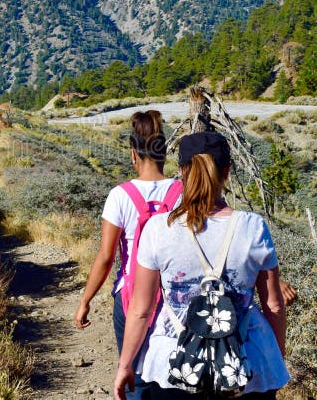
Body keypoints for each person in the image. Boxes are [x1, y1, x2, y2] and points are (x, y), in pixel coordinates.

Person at [113, 131, 290, 400]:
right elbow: (274, 305)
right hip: (245, 363)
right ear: (227, 171)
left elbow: (141, 310)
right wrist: (276, 360)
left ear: (182, 171)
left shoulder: (159, 228)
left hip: (175, 364)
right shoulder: (253, 227)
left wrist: (125, 365)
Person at [75, 110, 178, 400]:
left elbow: (106, 257)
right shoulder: (182, 193)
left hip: (131, 297)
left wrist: (85, 301)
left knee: (134, 374)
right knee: (175, 375)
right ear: (164, 152)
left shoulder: (120, 196)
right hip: (176, 294)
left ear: (133, 154)